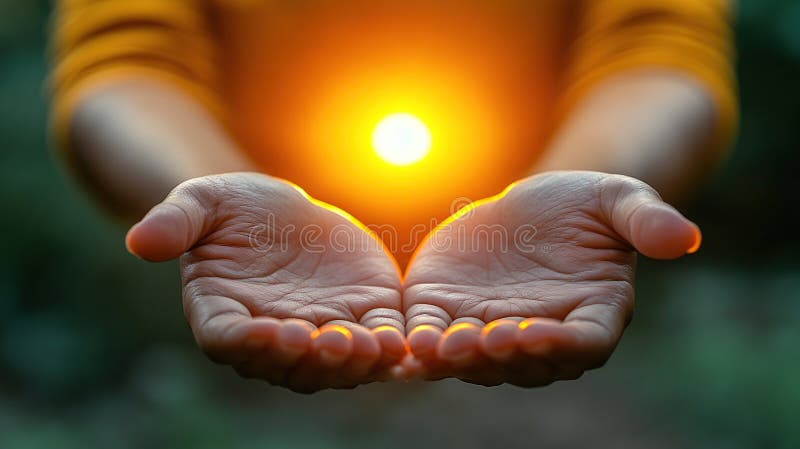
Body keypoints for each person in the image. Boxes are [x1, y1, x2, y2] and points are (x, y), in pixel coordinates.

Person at [49, 0, 737, 392]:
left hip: (524, 212)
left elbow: (658, 42)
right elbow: (126, 55)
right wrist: (215, 186)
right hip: (276, 225)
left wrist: (579, 183)